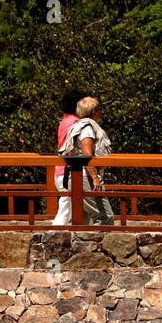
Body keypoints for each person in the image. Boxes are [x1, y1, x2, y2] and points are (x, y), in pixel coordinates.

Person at [57, 96, 115, 226]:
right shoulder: (87, 128)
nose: (101, 112)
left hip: (77, 177)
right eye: (100, 109)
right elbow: (87, 154)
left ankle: (82, 245)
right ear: (94, 111)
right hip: (85, 177)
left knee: (81, 219)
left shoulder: (78, 126)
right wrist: (95, 177)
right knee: (105, 217)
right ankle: (100, 245)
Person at [51, 89, 84, 226]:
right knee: (65, 209)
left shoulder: (65, 120)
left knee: (68, 206)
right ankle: (53, 234)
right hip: (68, 171)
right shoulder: (75, 123)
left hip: (61, 170)